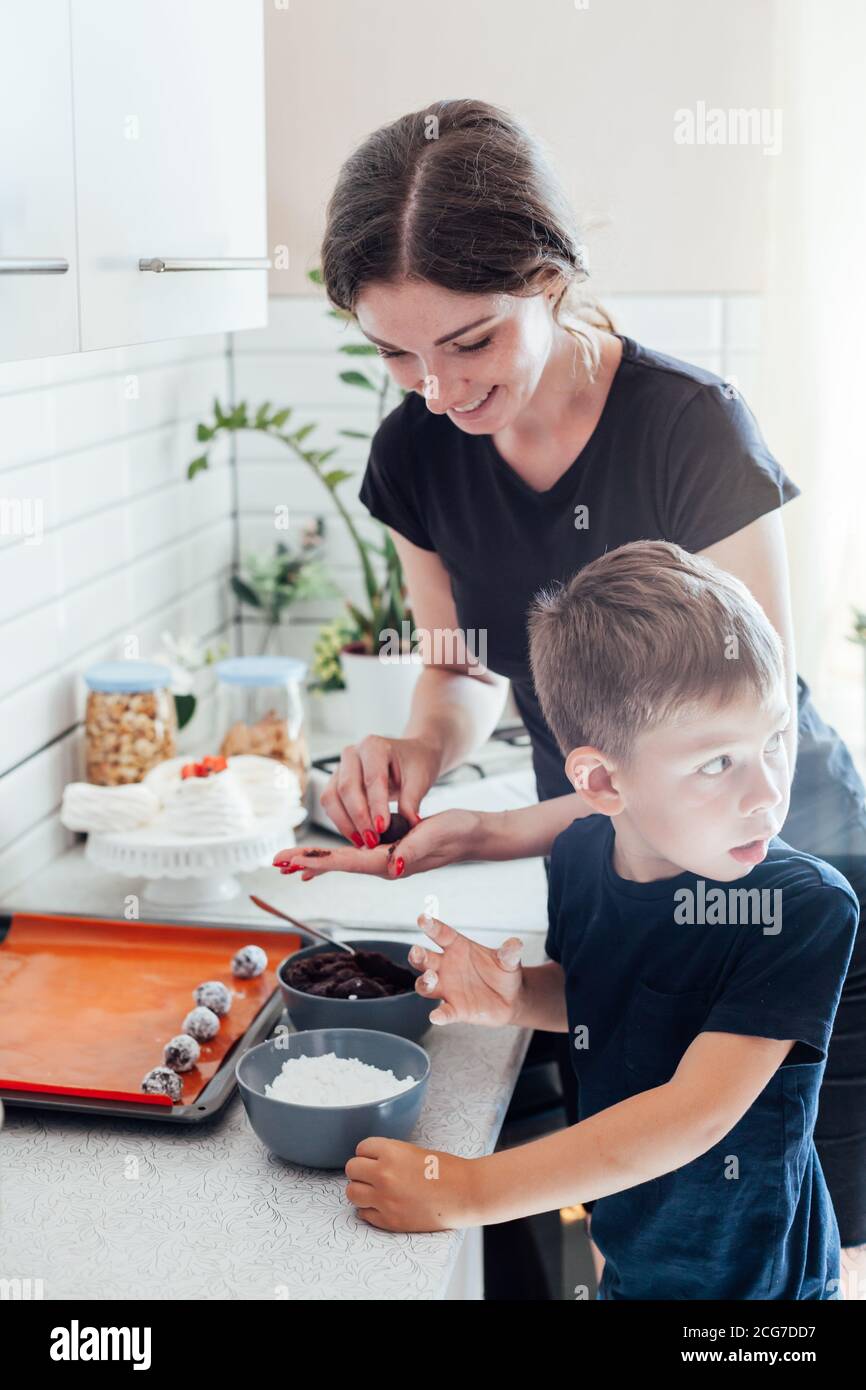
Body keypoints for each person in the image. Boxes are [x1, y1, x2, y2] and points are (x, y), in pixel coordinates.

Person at [274, 97, 866, 1288]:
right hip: (606, 855)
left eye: (471, 342)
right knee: (649, 1215)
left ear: (549, 278)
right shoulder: (416, 451)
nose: (435, 390)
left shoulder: (688, 427)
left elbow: (748, 714)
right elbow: (461, 663)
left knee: (785, 1224)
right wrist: (424, 749)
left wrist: (517, 822)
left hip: (755, 842)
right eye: (395, 352)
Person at [339, 542, 856, 1300]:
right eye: (718, 763)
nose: (766, 792)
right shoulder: (581, 858)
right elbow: (607, 997)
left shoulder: (804, 908)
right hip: (631, 1253)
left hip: (757, 1293)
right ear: (601, 781)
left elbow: (693, 1116)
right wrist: (519, 998)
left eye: (773, 740)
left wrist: (471, 1192)